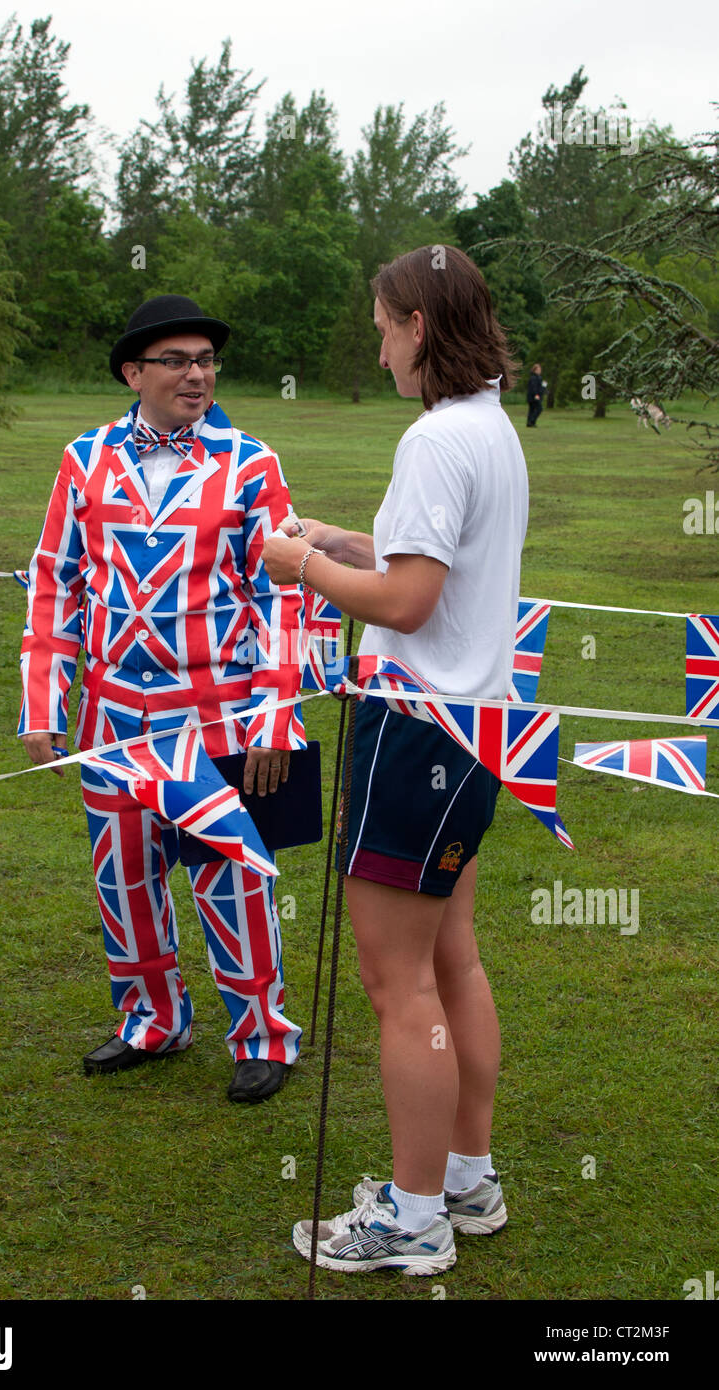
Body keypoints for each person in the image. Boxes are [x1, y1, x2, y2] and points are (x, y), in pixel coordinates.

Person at [263, 245, 528, 1272]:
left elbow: (412, 605)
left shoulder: (434, 440)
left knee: (397, 983)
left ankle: (411, 1218)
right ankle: (465, 1178)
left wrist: (308, 564)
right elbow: (431, 565)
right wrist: (353, 539)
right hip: (477, 731)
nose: (378, 350)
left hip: (418, 726)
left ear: (419, 324)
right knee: (450, 958)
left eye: (383, 327)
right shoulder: (488, 428)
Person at [19, 295, 306, 1104]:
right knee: (125, 879)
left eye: (206, 360)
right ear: (133, 373)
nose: (197, 374)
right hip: (111, 720)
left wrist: (275, 715)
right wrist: (43, 701)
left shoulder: (253, 463)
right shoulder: (84, 460)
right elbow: (57, 582)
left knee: (233, 872)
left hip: (215, 717)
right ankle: (152, 1020)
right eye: (177, 361)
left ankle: (263, 1034)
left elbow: (284, 597)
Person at [526, 362, 545, 426]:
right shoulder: (534, 378)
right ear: (535, 370)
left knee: (532, 410)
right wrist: (536, 395)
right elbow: (534, 388)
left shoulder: (538, 378)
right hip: (534, 396)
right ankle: (531, 421)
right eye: (538, 370)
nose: (540, 371)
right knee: (539, 408)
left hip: (534, 396)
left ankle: (530, 423)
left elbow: (540, 387)